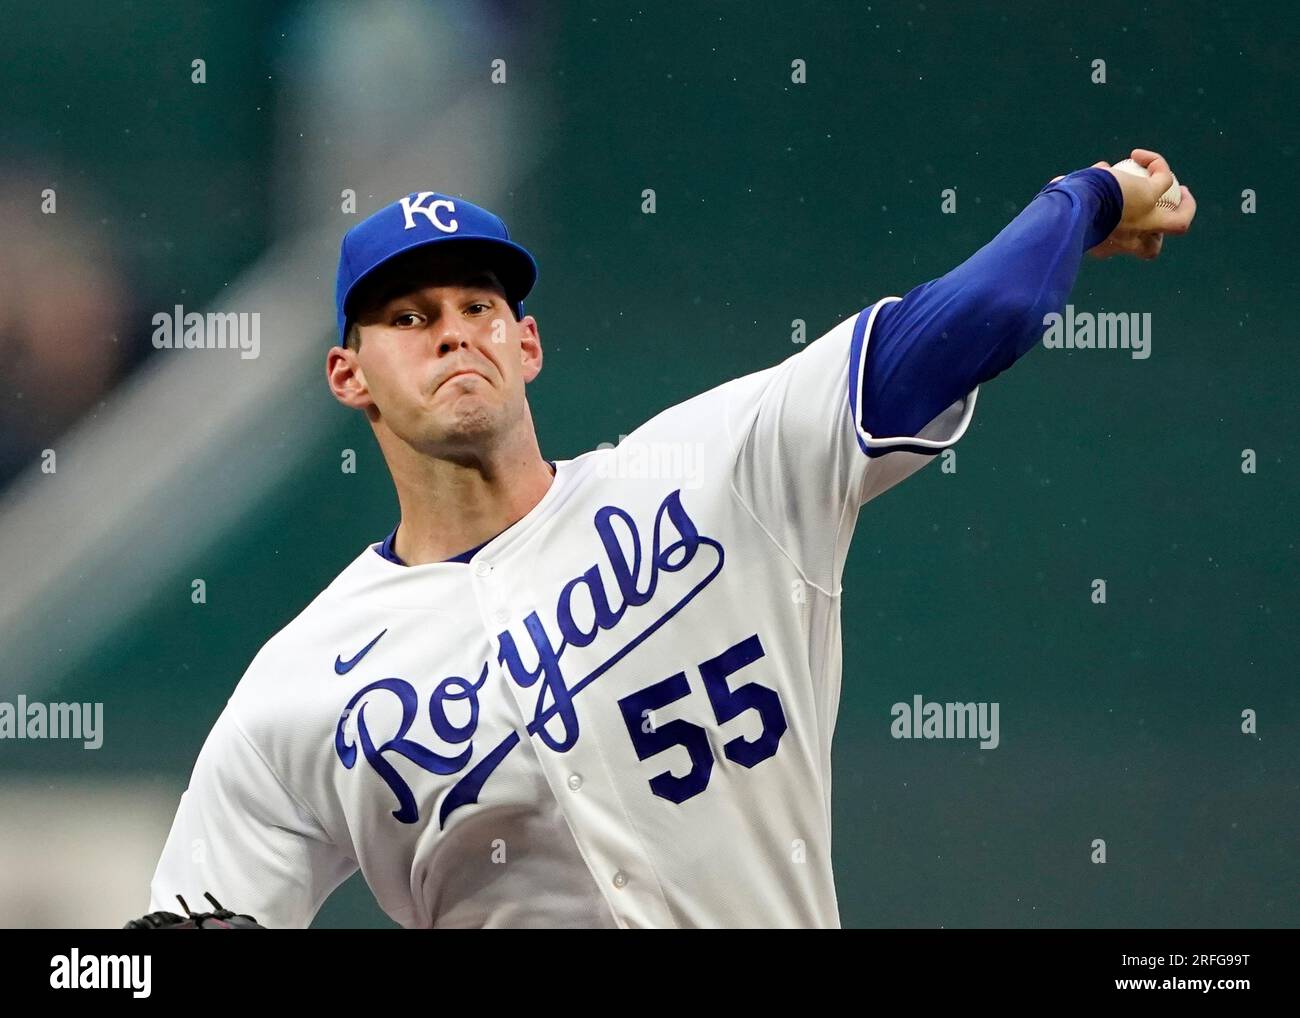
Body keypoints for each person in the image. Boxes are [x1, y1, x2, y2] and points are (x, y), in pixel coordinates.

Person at [143, 151, 1195, 928]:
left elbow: (973, 319)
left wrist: (1084, 197)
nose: (455, 328)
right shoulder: (296, 688)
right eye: (410, 316)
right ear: (347, 374)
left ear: (528, 342)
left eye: (479, 302)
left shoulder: (713, 474)